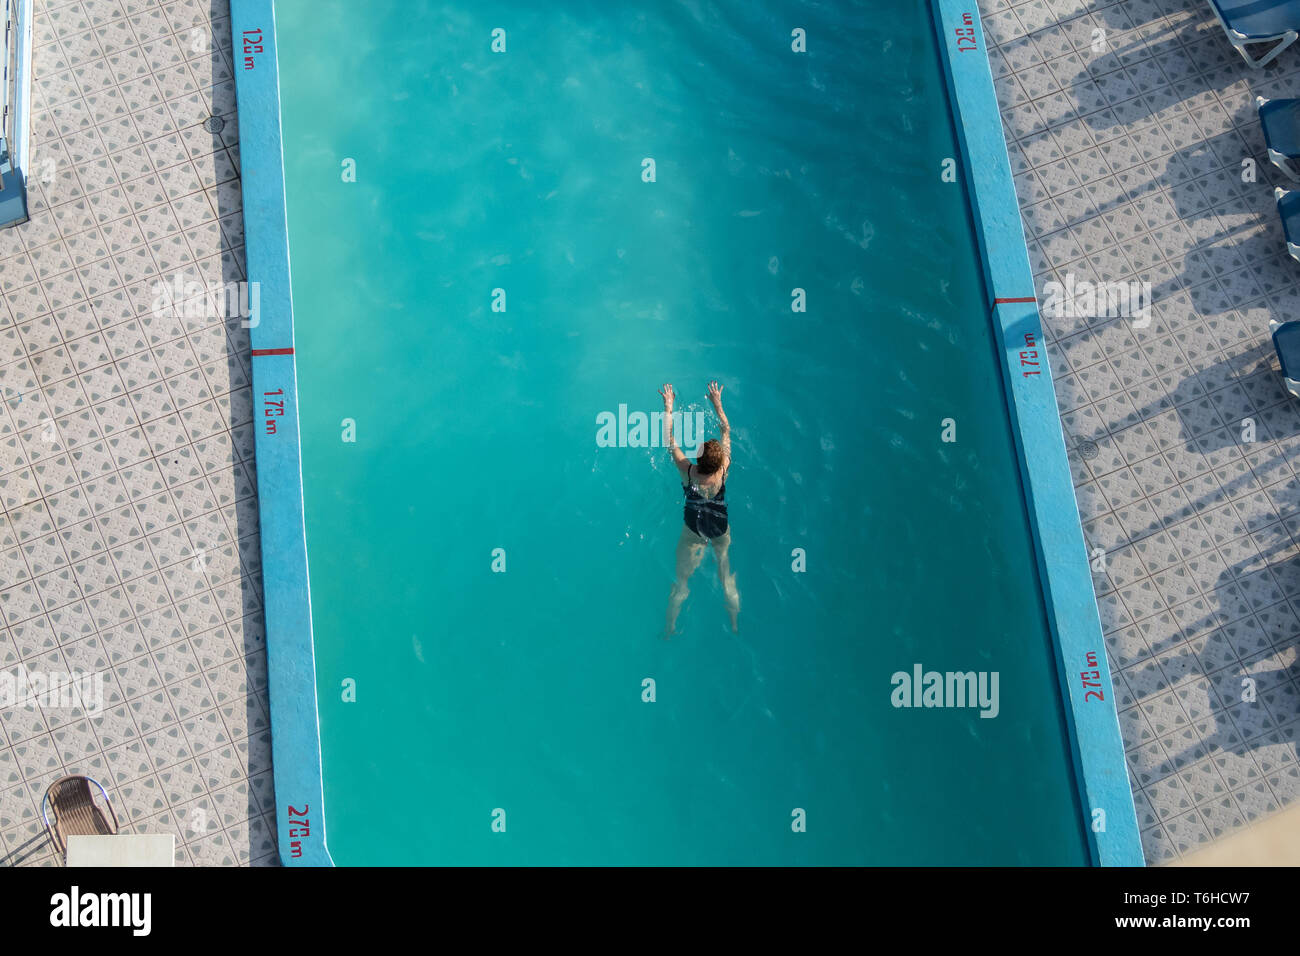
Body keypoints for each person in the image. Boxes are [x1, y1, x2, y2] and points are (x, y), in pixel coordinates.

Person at [659, 380, 740, 635]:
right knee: (726, 578)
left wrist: (668, 407)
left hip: (693, 530)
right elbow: (726, 430)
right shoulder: (724, 469)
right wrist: (718, 404)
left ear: (698, 458)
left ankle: (670, 628)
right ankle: (734, 624)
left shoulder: (688, 471)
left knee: (681, 583)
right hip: (720, 528)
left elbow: (669, 440)